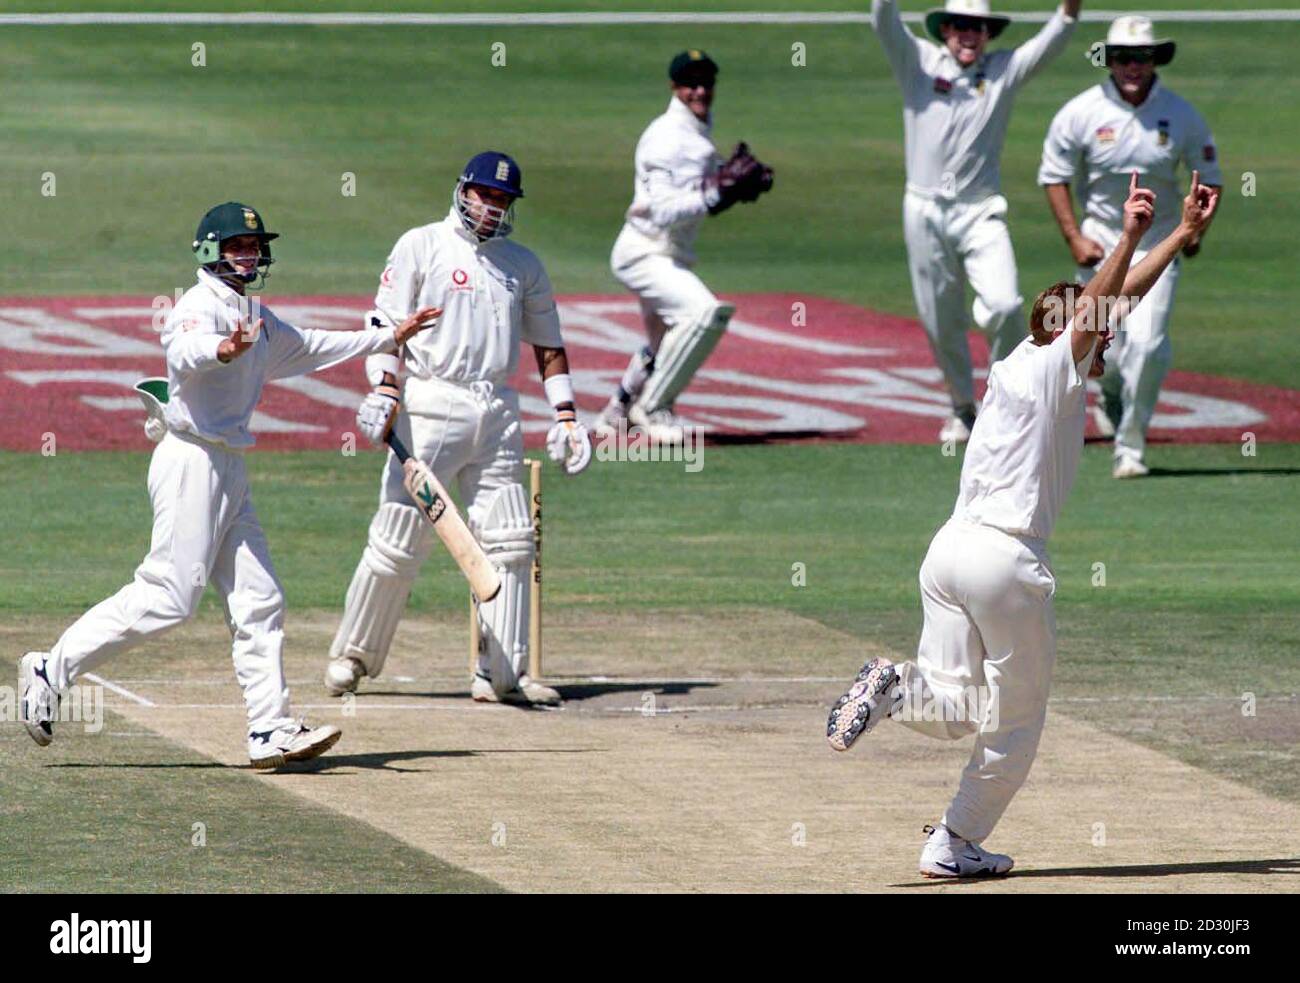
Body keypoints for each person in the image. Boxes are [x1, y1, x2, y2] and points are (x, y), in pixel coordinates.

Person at [826, 173, 1220, 877]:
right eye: (1095, 332)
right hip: (1004, 561)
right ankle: (952, 842)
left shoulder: (1014, 365)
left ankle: (891, 684)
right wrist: (1129, 234)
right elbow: (1103, 307)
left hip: (948, 551)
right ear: (1072, 330)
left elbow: (1115, 302)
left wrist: (1181, 236)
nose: (1105, 343)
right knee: (1015, 722)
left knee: (951, 709)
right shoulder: (1053, 373)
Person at [18, 202, 439, 768]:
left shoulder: (255, 315)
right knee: (169, 596)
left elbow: (312, 346)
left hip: (229, 467)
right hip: (191, 462)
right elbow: (183, 350)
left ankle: (270, 729)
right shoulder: (199, 308)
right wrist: (222, 349)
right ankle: (50, 667)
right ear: (211, 252)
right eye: (239, 245)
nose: (250, 255)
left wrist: (389, 335)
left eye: (255, 246)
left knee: (260, 598)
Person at [325, 152, 591, 707]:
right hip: (430, 402)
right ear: (462, 191)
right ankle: (353, 654)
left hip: (497, 408)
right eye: (483, 197)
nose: (491, 209)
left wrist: (566, 416)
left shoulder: (522, 264)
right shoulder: (421, 245)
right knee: (401, 539)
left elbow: (548, 344)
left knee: (512, 540)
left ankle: (502, 673)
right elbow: (385, 325)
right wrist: (384, 389)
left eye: (502, 202)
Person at [871, 0, 1083, 443]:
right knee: (940, 319)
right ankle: (962, 409)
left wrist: (1069, 10)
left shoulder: (1002, 70)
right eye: (961, 26)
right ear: (945, 29)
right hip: (925, 209)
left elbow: (1052, 39)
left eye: (979, 27)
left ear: (988, 34)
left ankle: (1002, 399)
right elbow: (883, 19)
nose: (969, 34)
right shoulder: (918, 63)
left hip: (981, 210)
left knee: (1005, 304)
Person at [1039, 15, 1222, 478]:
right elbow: (1054, 175)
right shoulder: (1080, 111)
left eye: (1140, 57)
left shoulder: (1182, 114)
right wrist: (1075, 238)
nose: (1132, 67)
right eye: (1123, 58)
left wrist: (1194, 231)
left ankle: (1131, 445)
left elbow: (1211, 180)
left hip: (1159, 246)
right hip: (1104, 247)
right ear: (1109, 61)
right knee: (1108, 349)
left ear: (1154, 59)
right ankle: (1113, 396)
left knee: (1150, 344)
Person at [594, 50, 774, 443]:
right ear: (674, 87)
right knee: (704, 314)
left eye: (706, 83)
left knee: (664, 343)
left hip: (667, 254)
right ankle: (654, 408)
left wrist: (730, 184)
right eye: (691, 83)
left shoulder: (696, 130)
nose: (700, 91)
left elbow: (695, 185)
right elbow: (662, 210)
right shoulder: (666, 138)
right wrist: (717, 191)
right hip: (645, 253)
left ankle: (617, 411)